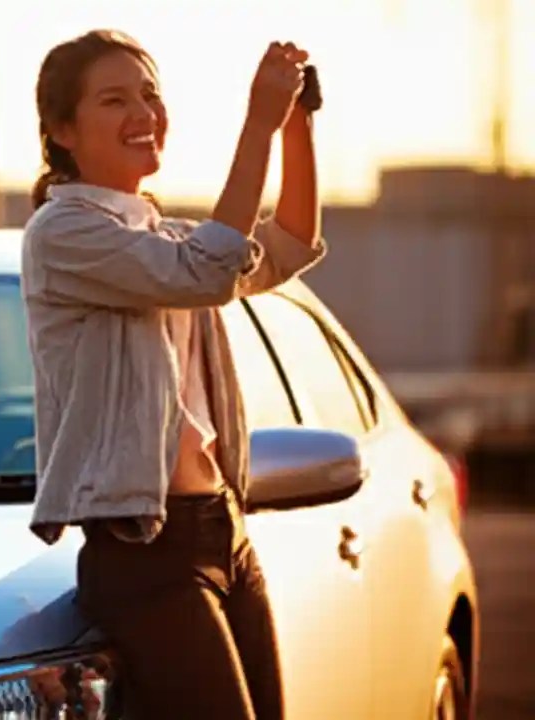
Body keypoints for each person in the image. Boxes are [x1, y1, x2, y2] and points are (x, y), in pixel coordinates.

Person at [20, 30, 327, 719]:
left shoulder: (160, 234)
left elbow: (286, 246)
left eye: (151, 94)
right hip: (145, 552)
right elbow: (210, 271)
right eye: (115, 99)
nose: (144, 112)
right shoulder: (63, 233)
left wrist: (296, 124)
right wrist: (257, 121)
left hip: (223, 529)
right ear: (63, 130)